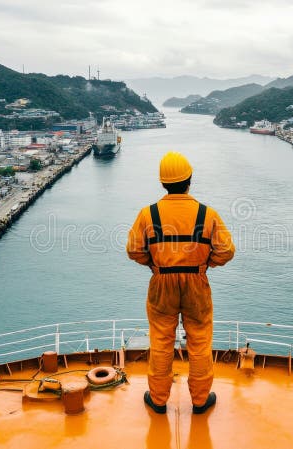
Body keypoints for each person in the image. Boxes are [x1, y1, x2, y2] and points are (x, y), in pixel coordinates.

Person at [127, 151, 235, 415]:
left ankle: (158, 399)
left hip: (162, 282)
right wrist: (205, 265)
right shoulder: (207, 214)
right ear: (189, 180)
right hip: (196, 282)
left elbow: (134, 250)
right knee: (200, 340)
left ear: (163, 183)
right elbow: (226, 251)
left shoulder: (148, 214)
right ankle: (200, 400)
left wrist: (154, 265)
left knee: (161, 341)